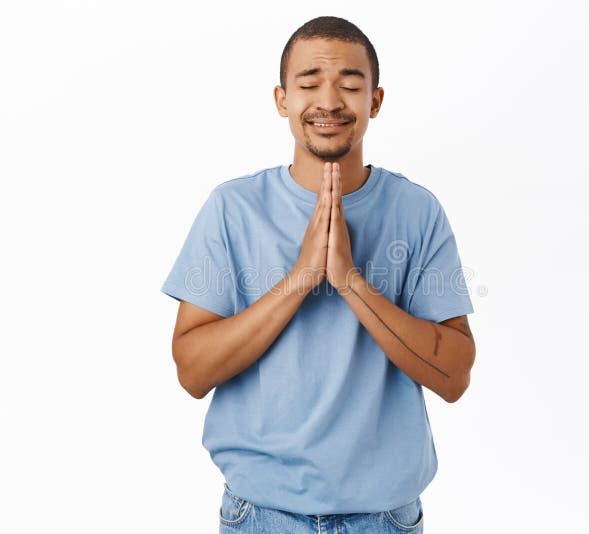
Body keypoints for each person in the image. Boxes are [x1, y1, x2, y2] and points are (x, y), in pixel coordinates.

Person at [160, 15, 477, 533]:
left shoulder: (418, 212)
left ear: (374, 101)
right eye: (309, 84)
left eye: (350, 85)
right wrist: (302, 277)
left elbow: (455, 375)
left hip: (385, 519)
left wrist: (350, 281)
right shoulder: (232, 209)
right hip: (260, 516)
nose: (328, 101)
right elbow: (191, 372)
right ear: (282, 99)